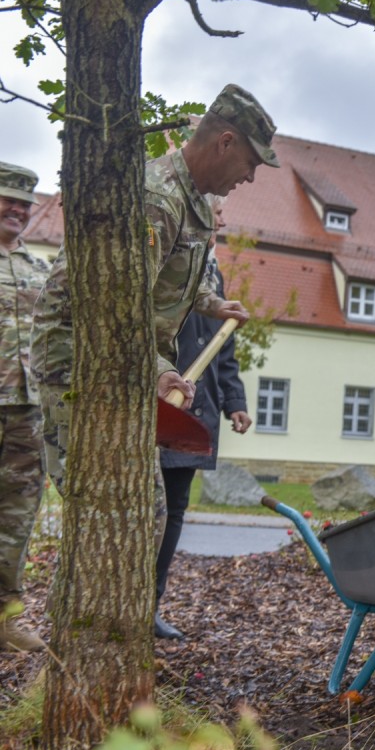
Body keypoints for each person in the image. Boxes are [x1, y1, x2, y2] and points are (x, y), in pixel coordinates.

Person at [30, 84, 276, 633]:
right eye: (251, 163)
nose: (251, 178)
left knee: (142, 510)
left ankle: (105, 634)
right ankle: (80, 639)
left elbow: (165, 279)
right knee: (109, 504)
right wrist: (162, 370)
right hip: (75, 356)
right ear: (225, 142)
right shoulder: (158, 198)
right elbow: (117, 306)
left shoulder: (189, 202)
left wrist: (211, 303)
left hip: (119, 357)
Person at [154, 197, 252, 640]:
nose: (225, 217)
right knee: (147, 512)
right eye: (218, 208)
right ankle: (125, 601)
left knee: (175, 511)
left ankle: (150, 605)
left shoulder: (213, 271)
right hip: (161, 402)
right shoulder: (170, 256)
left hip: (199, 410)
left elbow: (224, 349)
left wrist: (236, 401)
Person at [0, 163, 51, 652]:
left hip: (27, 410)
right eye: (8, 199)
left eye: (24, 204)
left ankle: (6, 618)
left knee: (16, 517)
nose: (17, 209)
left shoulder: (40, 270)